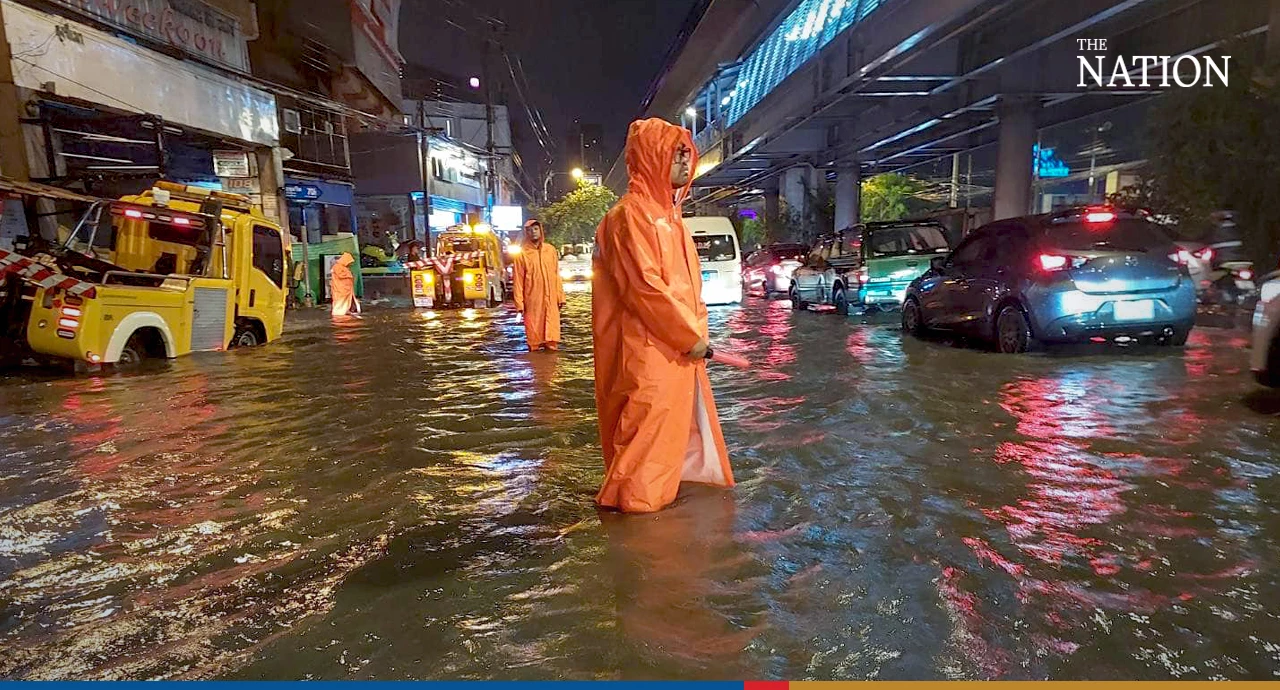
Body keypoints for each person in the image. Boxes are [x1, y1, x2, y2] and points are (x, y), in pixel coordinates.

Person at [592, 117, 734, 514]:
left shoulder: (673, 221)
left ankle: (658, 544)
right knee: (643, 454)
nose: (687, 161)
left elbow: (688, 293)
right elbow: (645, 289)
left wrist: (694, 341)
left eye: (688, 153)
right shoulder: (629, 216)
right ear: (652, 157)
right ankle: (640, 549)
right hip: (648, 355)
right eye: (677, 153)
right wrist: (690, 340)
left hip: (678, 355)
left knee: (673, 445)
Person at [513, 219, 565, 351]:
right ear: (526, 234)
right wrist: (519, 304)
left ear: (540, 231)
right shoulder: (522, 254)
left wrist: (561, 297)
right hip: (533, 301)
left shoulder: (550, 250)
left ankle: (551, 370)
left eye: (535, 229)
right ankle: (536, 368)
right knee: (534, 341)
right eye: (529, 231)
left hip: (551, 300)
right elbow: (518, 280)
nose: (533, 233)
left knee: (552, 341)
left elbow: (556, 275)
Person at [330, 252, 360, 317]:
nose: (349, 264)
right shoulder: (337, 266)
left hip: (345, 289)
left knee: (345, 301)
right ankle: (338, 313)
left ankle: (344, 311)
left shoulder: (343, 267)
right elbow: (341, 275)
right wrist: (349, 275)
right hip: (340, 289)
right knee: (340, 301)